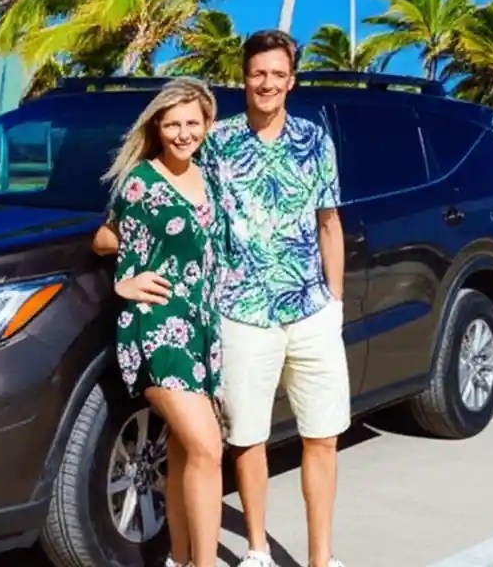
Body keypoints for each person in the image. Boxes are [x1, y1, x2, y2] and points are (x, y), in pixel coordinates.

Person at [199, 29, 350, 567]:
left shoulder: (315, 139)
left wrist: (334, 304)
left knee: (323, 436)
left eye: (277, 74)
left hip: (311, 310)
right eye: (257, 73)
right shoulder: (216, 142)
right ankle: (258, 550)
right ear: (245, 78)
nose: (267, 83)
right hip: (242, 312)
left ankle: (321, 558)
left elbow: (329, 224)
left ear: (292, 80)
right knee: (248, 438)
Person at [91, 77, 226, 567]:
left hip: (200, 330)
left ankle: (182, 559)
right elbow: (103, 237)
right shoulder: (141, 182)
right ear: (157, 127)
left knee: (188, 450)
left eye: (192, 123)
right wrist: (123, 285)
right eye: (173, 124)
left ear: (206, 126)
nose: (183, 133)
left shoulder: (209, 177)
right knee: (207, 448)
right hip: (157, 327)